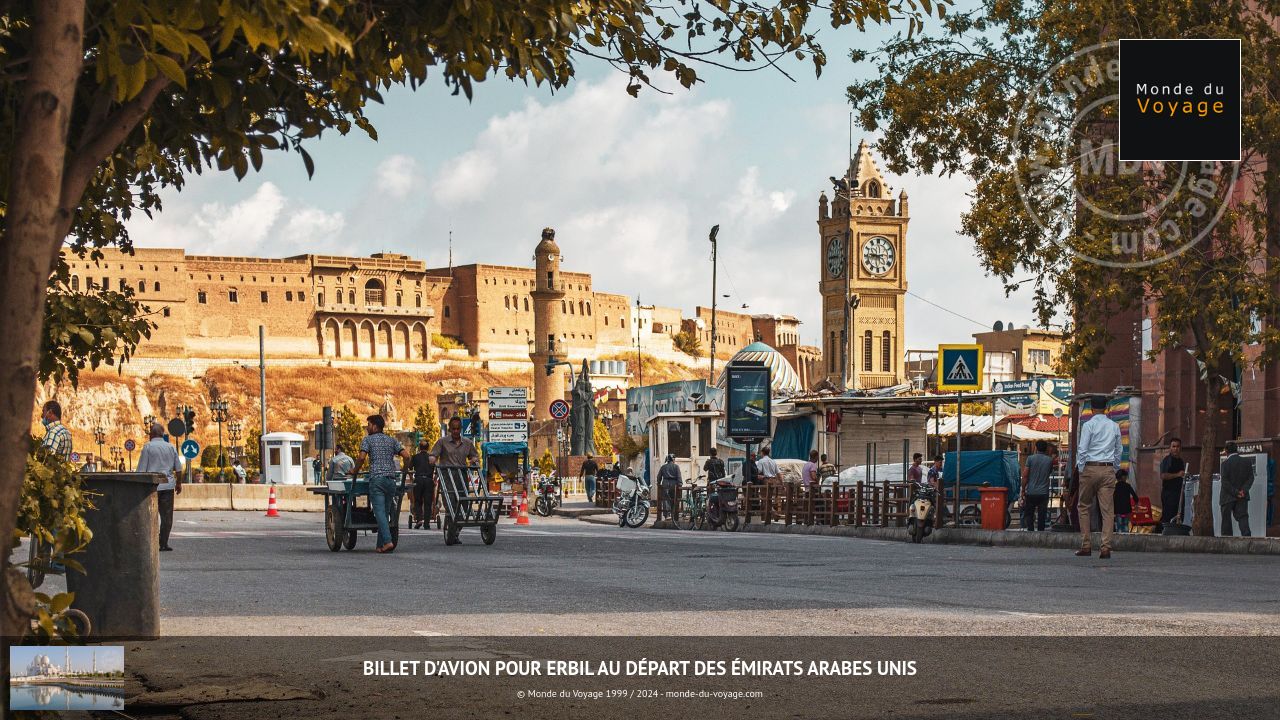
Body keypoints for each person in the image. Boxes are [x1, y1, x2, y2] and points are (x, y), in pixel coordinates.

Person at [351, 414, 410, 553]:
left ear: (375, 426)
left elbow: (361, 457)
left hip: (377, 480)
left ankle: (388, 542)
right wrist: (404, 470)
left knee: (379, 513)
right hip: (391, 480)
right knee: (384, 512)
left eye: (369, 425)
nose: (367, 428)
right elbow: (407, 456)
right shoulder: (392, 440)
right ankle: (380, 546)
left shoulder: (368, 440)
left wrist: (354, 470)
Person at [1074, 395, 1122, 558]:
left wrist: (1082, 469)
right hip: (1107, 469)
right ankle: (1105, 547)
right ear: (1107, 409)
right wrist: (1114, 468)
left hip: (1090, 468)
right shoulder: (1114, 426)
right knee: (1107, 510)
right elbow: (1119, 450)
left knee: (1084, 506)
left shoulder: (1088, 425)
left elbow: (1082, 449)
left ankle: (1086, 545)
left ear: (1092, 409)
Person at [136, 422, 183, 551]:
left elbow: (141, 470)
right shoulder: (171, 447)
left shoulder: (148, 447)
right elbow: (178, 469)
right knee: (167, 517)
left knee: (151, 515)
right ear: (162, 434)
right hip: (167, 486)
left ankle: (151, 542)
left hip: (152, 487)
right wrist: (178, 483)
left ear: (151, 434)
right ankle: (163, 543)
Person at [1219, 441, 1255, 537]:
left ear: (1226, 451)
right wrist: (1243, 490)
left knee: (1226, 519)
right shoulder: (1247, 462)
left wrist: (1235, 492)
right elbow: (1251, 478)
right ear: (1237, 450)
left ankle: (1227, 539)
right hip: (1243, 495)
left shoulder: (1225, 464)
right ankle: (1247, 536)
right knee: (1243, 516)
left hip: (1227, 496)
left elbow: (1225, 482)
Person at [1021, 440, 1053, 532]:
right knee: (1042, 515)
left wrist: (1023, 489)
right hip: (1044, 493)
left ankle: (1030, 532)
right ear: (1046, 449)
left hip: (1031, 492)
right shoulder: (1049, 460)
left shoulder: (1030, 459)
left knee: (1029, 514)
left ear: (1036, 447)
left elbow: (1025, 475)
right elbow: (1049, 472)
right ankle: (1040, 533)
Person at [1158, 438, 1186, 531]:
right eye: (1173, 446)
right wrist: (1177, 474)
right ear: (1170, 448)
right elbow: (1163, 475)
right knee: (1168, 516)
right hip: (1169, 493)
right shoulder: (1167, 460)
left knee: (1179, 515)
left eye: (1177, 446)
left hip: (1179, 492)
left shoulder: (1181, 461)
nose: (1175, 449)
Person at [410, 439, 436, 529]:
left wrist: (411, 479)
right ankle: (427, 524)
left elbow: (410, 470)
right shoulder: (431, 458)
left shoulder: (415, 457)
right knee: (428, 502)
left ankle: (419, 519)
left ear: (420, 447)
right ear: (428, 448)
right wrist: (434, 480)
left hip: (418, 480)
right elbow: (436, 470)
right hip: (429, 480)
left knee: (417, 501)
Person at [1113, 468, 1140, 533]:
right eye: (1126, 476)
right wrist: (1136, 503)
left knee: (1119, 526)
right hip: (1126, 509)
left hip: (1118, 510)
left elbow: (1112, 497)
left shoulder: (1115, 486)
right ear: (1123, 477)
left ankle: (1119, 540)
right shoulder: (1128, 486)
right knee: (1125, 525)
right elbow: (1135, 496)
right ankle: (1126, 539)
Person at [657, 453, 682, 521]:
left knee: (666, 499)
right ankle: (674, 515)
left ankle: (667, 515)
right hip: (674, 484)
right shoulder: (676, 466)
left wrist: (658, 483)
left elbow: (659, 476)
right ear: (673, 459)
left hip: (665, 483)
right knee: (674, 499)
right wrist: (680, 484)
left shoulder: (663, 467)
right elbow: (679, 476)